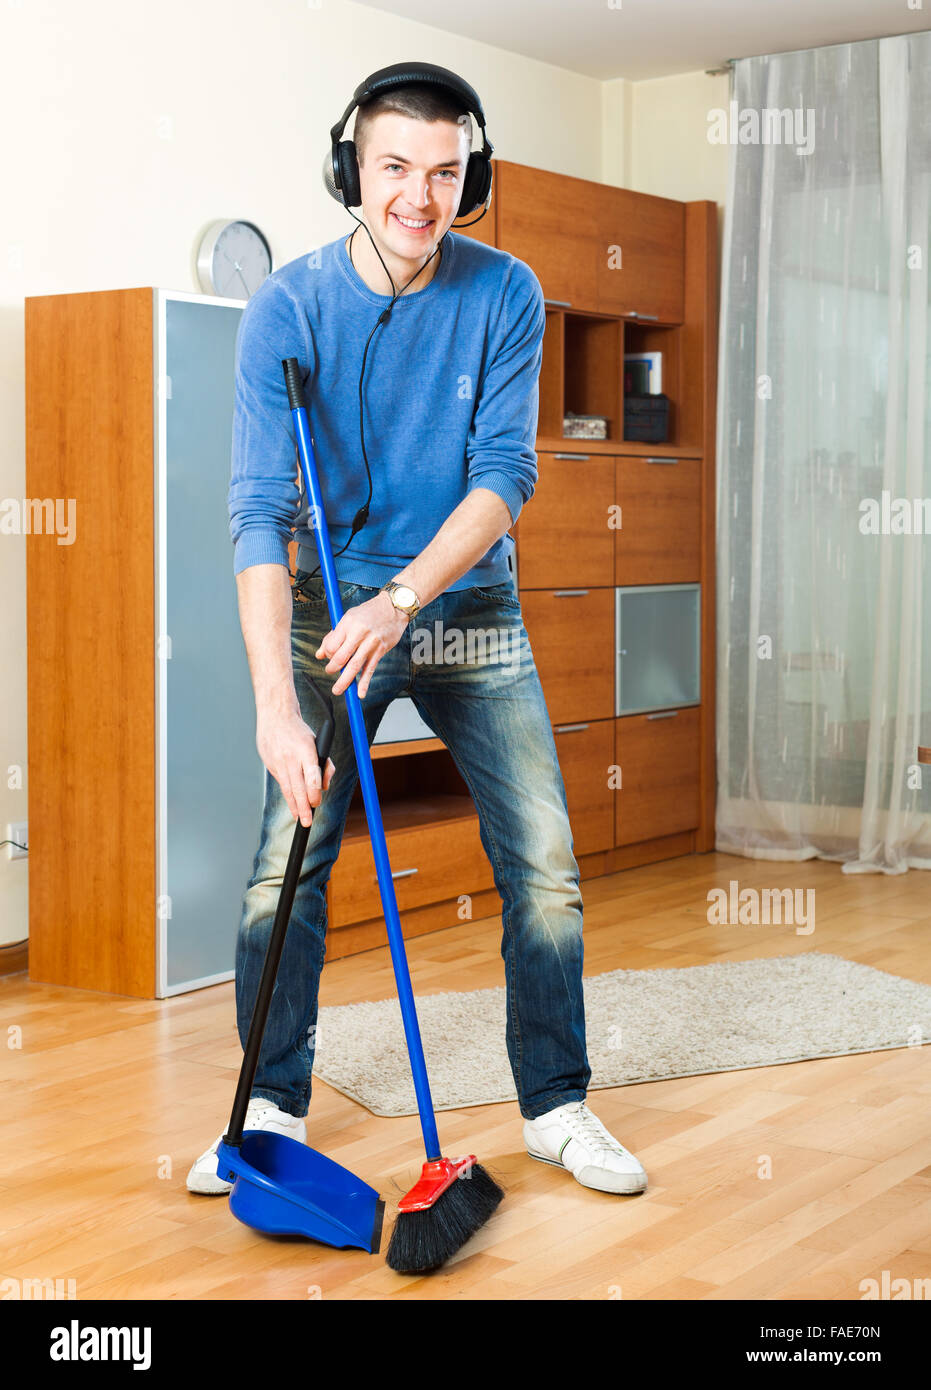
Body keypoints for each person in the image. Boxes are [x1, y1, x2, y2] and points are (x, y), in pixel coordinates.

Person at [187, 65, 647, 1200]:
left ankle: (554, 1103)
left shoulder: (506, 294)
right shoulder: (286, 309)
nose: (419, 197)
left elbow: (502, 477)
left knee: (540, 860)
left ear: (468, 177)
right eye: (394, 168)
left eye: (446, 173)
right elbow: (256, 514)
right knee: (280, 873)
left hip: (462, 604)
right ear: (354, 171)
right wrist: (274, 711)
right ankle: (266, 1105)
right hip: (325, 611)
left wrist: (402, 603)